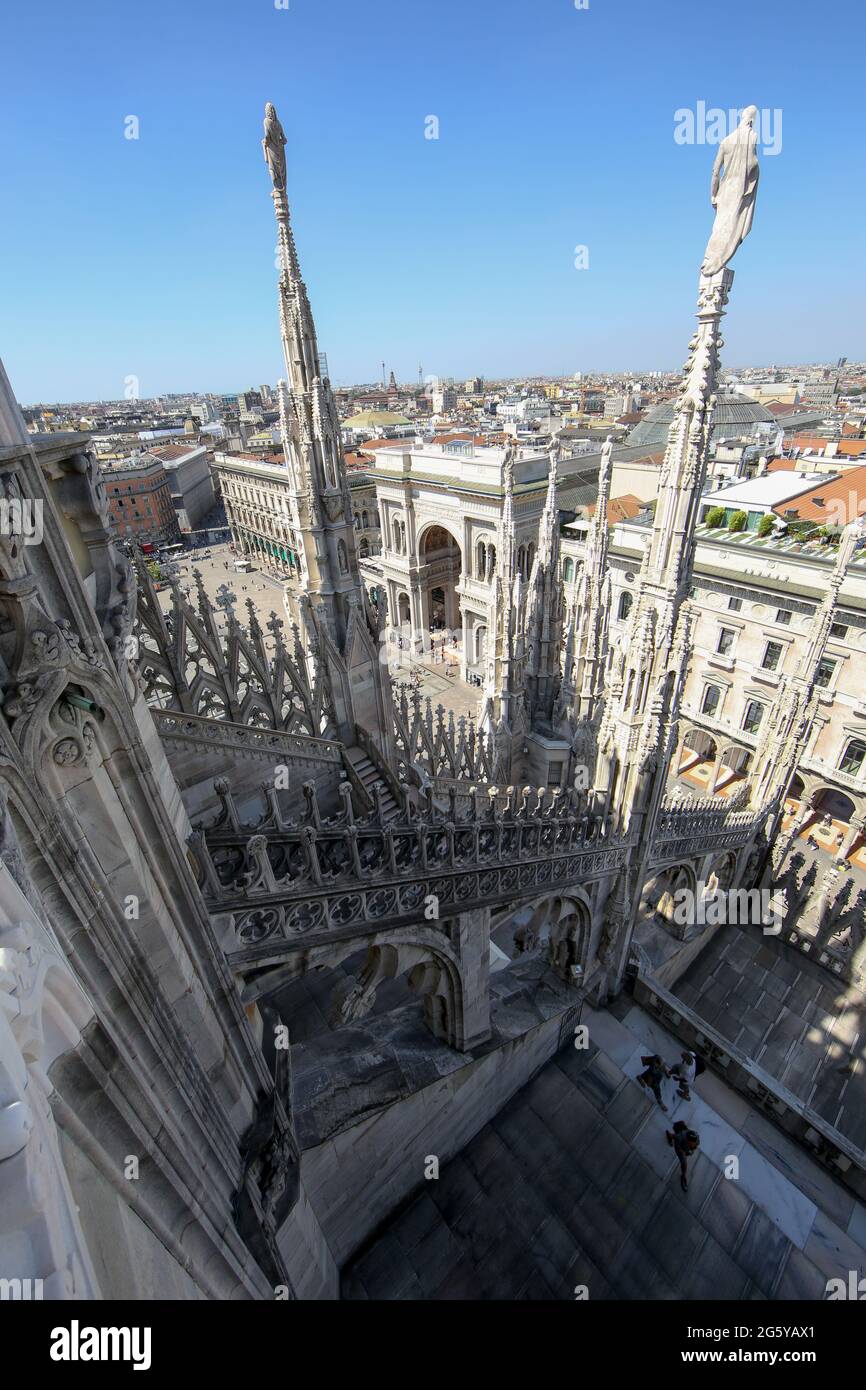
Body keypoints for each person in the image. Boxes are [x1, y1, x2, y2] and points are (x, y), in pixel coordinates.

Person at [666, 1121, 700, 1191]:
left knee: (675, 1136)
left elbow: (695, 1147)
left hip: (683, 1142)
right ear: (688, 1140)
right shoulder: (680, 1137)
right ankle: (683, 1175)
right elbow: (680, 1149)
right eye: (691, 1143)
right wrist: (684, 1152)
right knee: (684, 1162)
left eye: (693, 1143)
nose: (692, 1144)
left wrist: (691, 1150)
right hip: (679, 1145)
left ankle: (670, 1135)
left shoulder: (696, 1140)